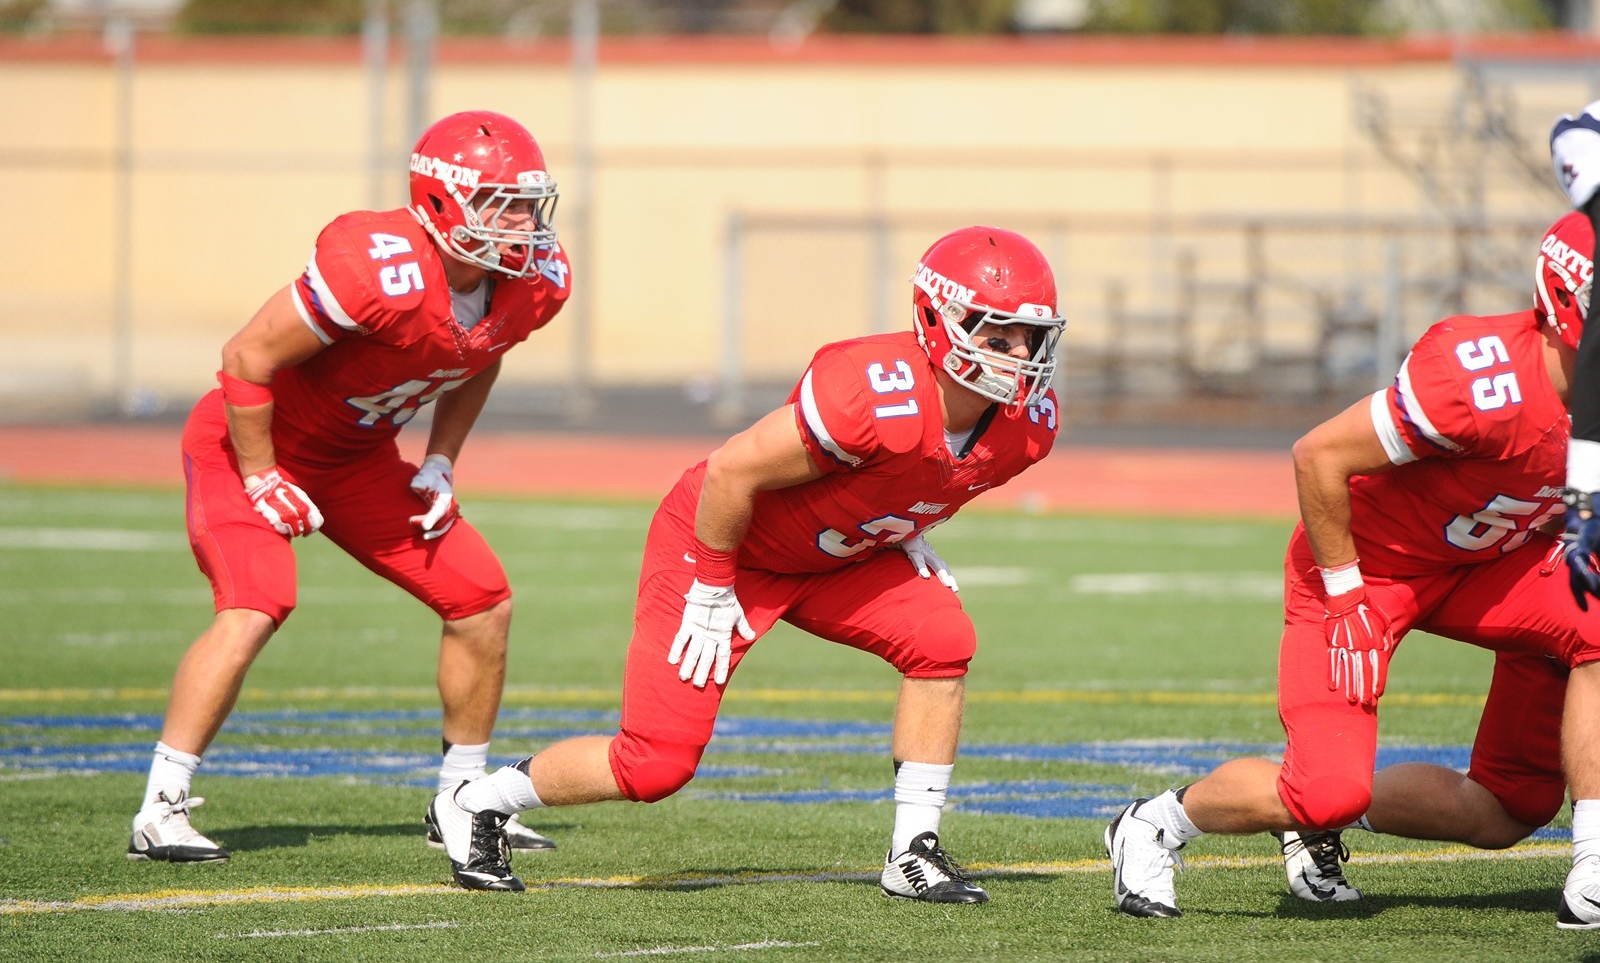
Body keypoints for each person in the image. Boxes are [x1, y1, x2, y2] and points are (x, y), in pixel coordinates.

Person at [421, 225, 1065, 899]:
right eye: (998, 333)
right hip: (726, 546)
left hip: (837, 554)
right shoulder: (870, 392)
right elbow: (730, 474)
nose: (1019, 354)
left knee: (941, 636)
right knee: (654, 765)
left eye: (1030, 336)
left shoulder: (1028, 425)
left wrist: (908, 525)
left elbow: (935, 473)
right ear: (940, 320)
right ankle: (476, 800)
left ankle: (913, 852)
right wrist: (708, 582)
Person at [1104, 211, 1600, 930]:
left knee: (1510, 807)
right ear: (1564, 303)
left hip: (1489, 562)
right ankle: (1153, 823)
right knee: (1322, 790)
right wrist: (1345, 594)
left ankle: (1592, 862)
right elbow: (1319, 455)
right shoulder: (1480, 375)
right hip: (1368, 571)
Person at [128, 110, 570, 863]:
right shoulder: (377, 264)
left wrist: (442, 456)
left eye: (528, 202)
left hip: (356, 456)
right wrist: (263, 474)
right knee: (256, 604)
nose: (522, 221)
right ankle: (159, 808)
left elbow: (485, 350)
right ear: (440, 201)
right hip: (249, 442)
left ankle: (460, 800)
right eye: (501, 202)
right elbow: (244, 358)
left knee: (480, 599)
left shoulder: (528, 282)